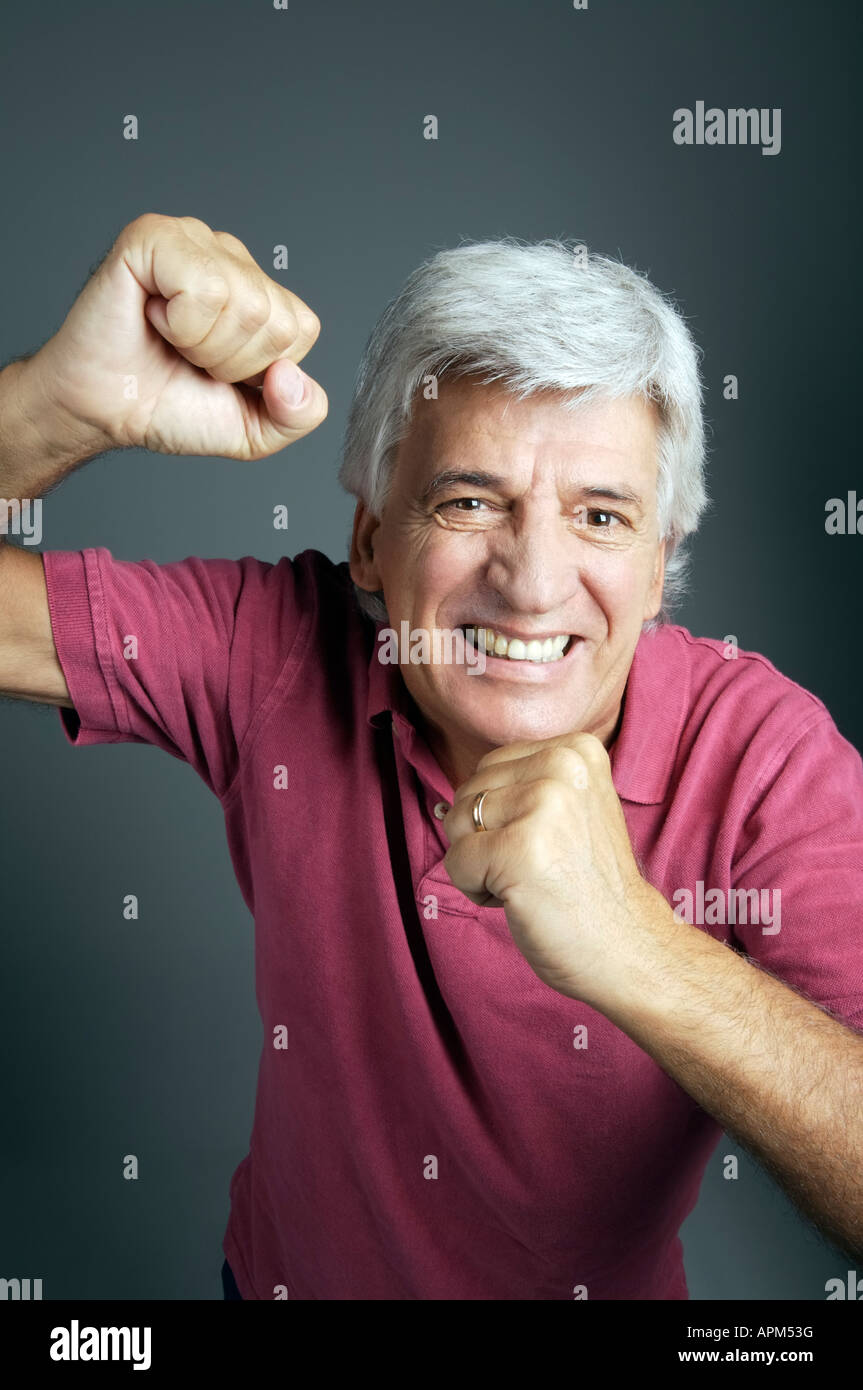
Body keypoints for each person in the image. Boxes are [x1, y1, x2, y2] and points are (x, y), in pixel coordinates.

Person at [0, 214, 861, 1301]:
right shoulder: (276, 652)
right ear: (369, 536)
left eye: (599, 516)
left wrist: (640, 948)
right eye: (467, 500)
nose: (532, 580)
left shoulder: (764, 757)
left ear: (657, 567)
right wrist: (52, 407)